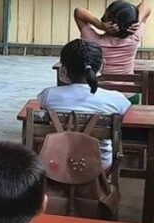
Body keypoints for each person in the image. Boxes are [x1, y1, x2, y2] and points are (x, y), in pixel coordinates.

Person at [38, 39, 130, 169]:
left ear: (63, 69)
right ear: (101, 65)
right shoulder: (117, 99)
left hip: (57, 164)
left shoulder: (47, 96)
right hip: (99, 165)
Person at [73, 0, 150, 75]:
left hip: (99, 87)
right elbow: (145, 6)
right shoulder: (134, 39)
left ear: (107, 20)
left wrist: (99, 25)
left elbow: (78, 12)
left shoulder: (93, 41)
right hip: (127, 87)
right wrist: (136, 22)